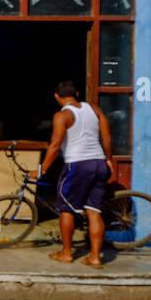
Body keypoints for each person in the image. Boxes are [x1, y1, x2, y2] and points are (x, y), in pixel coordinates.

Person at [39, 80, 115, 268]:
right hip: (98, 163)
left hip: (77, 165)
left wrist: (42, 170)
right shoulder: (94, 109)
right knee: (94, 211)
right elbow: (106, 136)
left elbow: (55, 146)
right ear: (77, 93)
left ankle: (66, 253)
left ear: (56, 96)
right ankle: (95, 257)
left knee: (67, 209)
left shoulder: (62, 115)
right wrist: (108, 159)